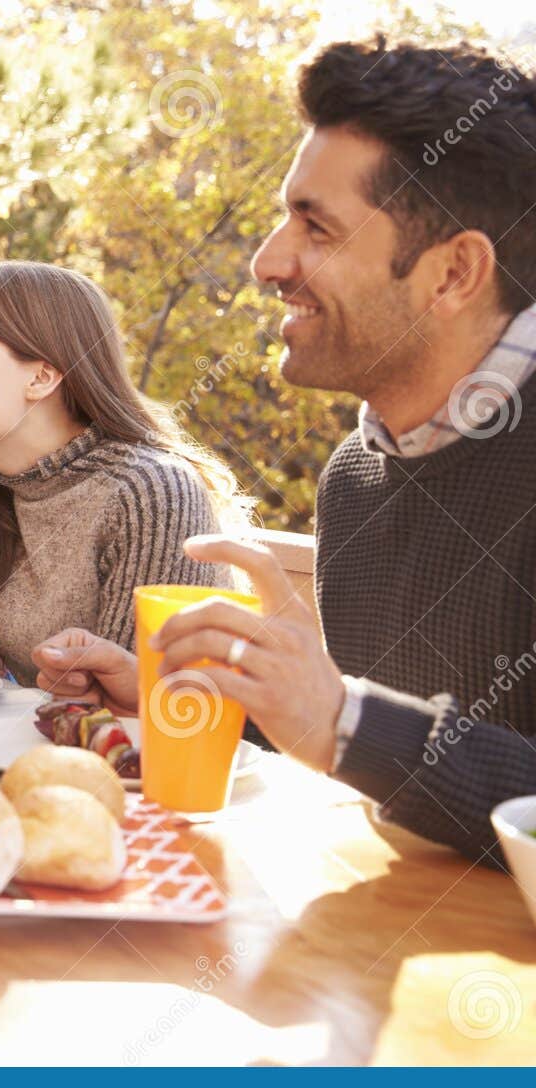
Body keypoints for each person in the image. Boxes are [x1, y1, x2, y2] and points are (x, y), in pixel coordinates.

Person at [32, 37, 536, 866]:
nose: (269, 261)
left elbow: (366, 730)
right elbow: (388, 763)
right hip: (373, 951)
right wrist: (210, 698)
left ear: (453, 274)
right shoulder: (356, 477)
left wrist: (340, 717)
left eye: (316, 226)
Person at [0, 260, 243, 683]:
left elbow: (138, 709)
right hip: (54, 744)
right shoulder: (6, 490)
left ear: (41, 376)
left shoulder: (150, 492)